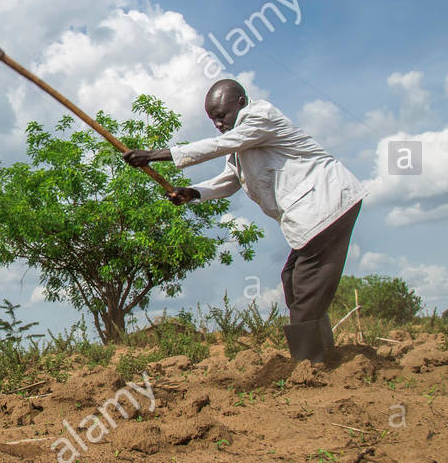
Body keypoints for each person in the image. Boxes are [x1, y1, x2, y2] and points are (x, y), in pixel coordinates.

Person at [123, 79, 364, 363]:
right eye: (213, 119)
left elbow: (220, 144)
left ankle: (309, 365)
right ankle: (321, 353)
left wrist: (154, 155)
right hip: (315, 214)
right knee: (292, 280)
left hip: (327, 202)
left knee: (305, 286)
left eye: (221, 115)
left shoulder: (260, 116)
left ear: (241, 102)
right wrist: (192, 193)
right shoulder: (242, 143)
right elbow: (229, 180)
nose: (218, 124)